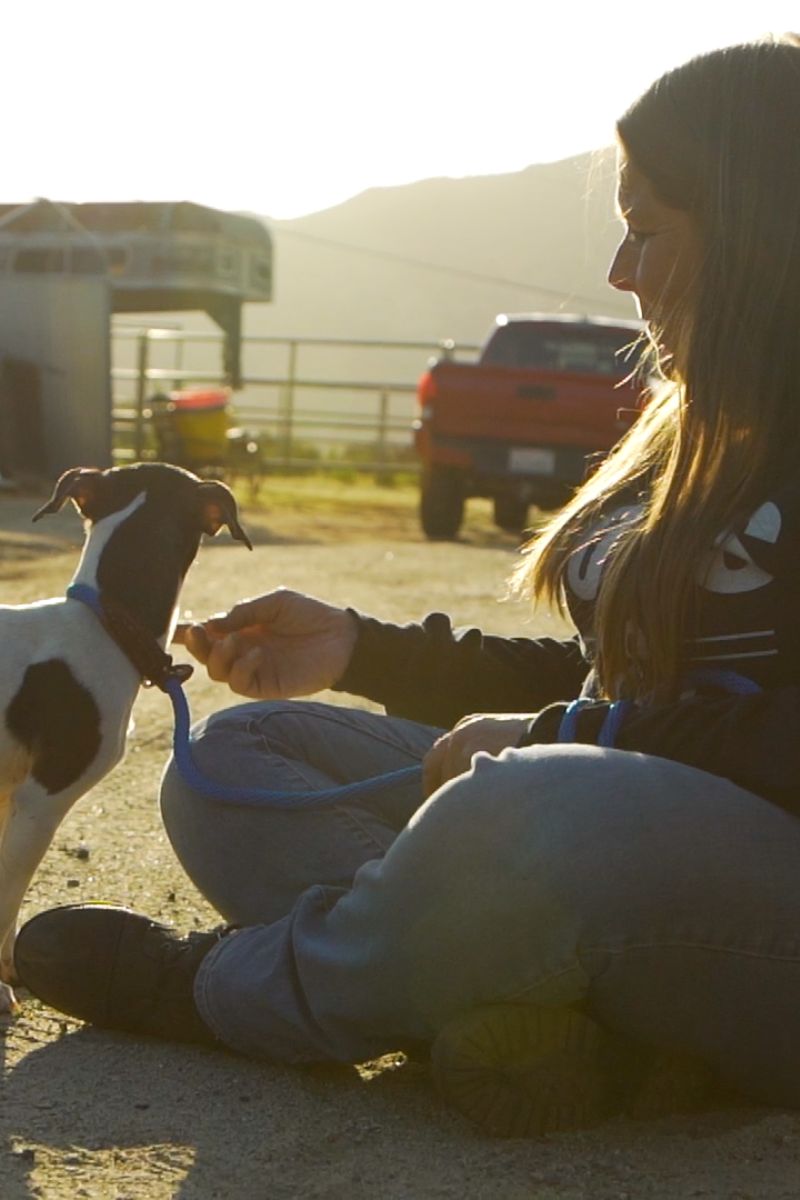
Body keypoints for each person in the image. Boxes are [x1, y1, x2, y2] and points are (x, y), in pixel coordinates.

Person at [13, 33, 800, 1138]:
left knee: (534, 801)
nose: (619, 274)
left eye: (646, 230)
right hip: (619, 853)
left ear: (761, 236)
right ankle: (566, 1038)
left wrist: (560, 732)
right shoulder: (706, 437)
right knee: (236, 766)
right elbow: (645, 682)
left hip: (761, 922)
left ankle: (222, 991)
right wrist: (360, 651)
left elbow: (696, 733)